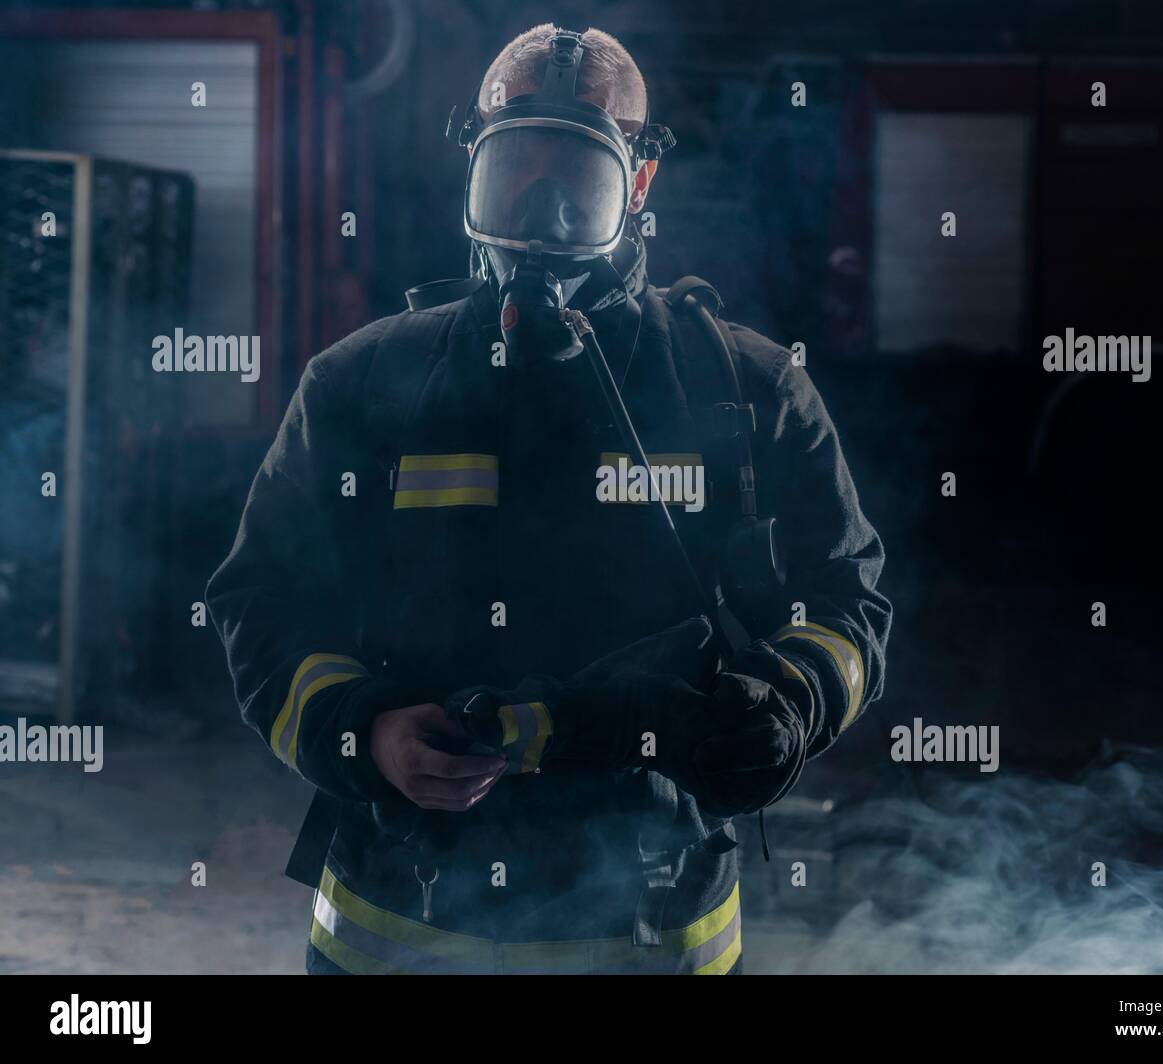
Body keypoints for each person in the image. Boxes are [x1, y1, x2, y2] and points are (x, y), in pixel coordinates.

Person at [207, 23, 891, 975]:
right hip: (401, 919)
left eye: (575, 171)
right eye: (515, 166)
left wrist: (789, 700)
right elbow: (260, 603)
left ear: (638, 183)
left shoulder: (746, 392)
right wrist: (368, 733)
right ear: (471, 169)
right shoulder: (361, 385)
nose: (543, 205)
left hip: (654, 924)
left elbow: (848, 605)